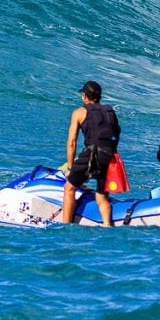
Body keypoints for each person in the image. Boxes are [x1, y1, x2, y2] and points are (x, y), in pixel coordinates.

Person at [62, 80, 121, 227]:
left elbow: (71, 143)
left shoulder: (79, 112)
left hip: (92, 154)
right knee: (101, 196)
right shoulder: (110, 111)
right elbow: (116, 134)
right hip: (109, 155)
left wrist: (70, 168)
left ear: (85, 96)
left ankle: (65, 225)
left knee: (69, 188)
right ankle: (107, 225)